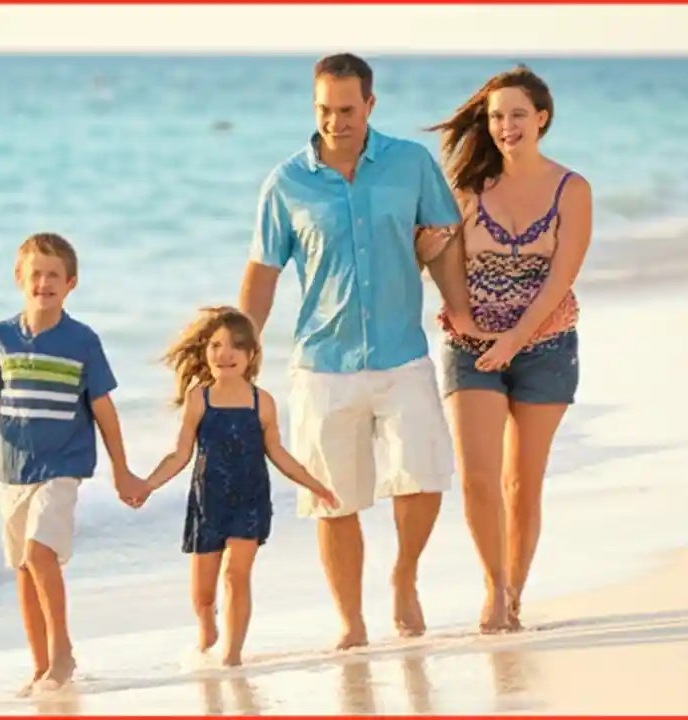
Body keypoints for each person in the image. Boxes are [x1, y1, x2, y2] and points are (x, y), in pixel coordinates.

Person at [238, 53, 489, 648]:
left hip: (403, 351)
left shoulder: (411, 164)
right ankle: (350, 620)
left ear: (370, 105)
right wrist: (241, 359)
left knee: (423, 476)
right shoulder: (286, 182)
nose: (336, 121)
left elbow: (445, 243)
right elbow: (263, 273)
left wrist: (460, 311)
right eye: (324, 109)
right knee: (331, 499)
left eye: (347, 109)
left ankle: (403, 576)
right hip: (324, 365)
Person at [0, 232, 146, 692]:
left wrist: (122, 470)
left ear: (71, 283)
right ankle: (39, 665)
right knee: (22, 565)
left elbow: (104, 410)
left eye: (54, 274)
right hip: (11, 469)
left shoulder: (82, 341)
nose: (44, 282)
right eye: (36, 273)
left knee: (40, 552)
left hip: (62, 466)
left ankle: (62, 654)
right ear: (19, 278)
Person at [428, 65, 592, 632]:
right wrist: (467, 318)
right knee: (477, 477)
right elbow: (443, 264)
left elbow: (561, 277)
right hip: (469, 346)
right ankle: (493, 589)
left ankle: (516, 591)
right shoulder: (466, 188)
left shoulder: (573, 189)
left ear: (542, 119)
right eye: (497, 116)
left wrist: (515, 340)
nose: (505, 126)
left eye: (518, 114)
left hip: (546, 345)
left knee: (523, 480)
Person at [137, 306, 338, 666]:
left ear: (250, 356)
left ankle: (231, 656)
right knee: (201, 596)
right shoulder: (200, 398)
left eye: (234, 346)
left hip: (250, 500)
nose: (224, 354)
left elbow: (278, 454)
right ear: (205, 351)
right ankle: (208, 635)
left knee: (236, 574)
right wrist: (147, 485)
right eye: (215, 345)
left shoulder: (263, 403)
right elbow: (180, 453)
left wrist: (315, 485)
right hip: (208, 501)